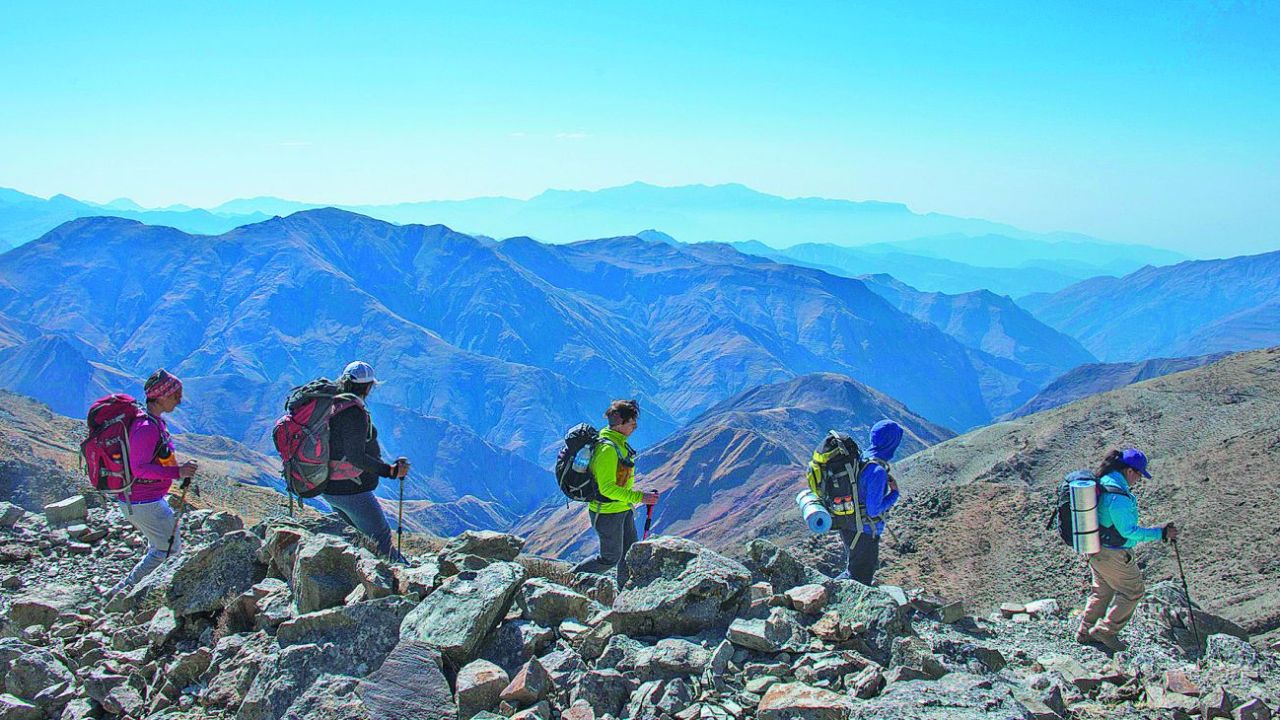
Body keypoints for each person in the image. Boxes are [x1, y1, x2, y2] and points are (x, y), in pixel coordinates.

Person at [106, 369, 199, 598]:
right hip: (142, 501)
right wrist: (178, 472)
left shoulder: (152, 422)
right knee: (166, 549)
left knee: (163, 546)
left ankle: (141, 591)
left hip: (144, 500)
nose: (179, 400)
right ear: (162, 396)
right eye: (175, 395)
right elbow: (139, 468)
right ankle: (124, 595)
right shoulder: (147, 428)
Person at [1078, 448, 1177, 652]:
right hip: (1113, 554)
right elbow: (1129, 532)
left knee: (1102, 591)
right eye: (1139, 474)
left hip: (1095, 548)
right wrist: (1161, 533)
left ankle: (1085, 632)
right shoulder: (1118, 497)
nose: (1139, 479)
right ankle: (1106, 631)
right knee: (1133, 591)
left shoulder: (1104, 482)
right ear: (1130, 471)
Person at [322, 360, 411, 563]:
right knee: (380, 539)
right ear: (369, 386)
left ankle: (362, 581)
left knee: (359, 539)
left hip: (328, 486)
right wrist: (390, 471)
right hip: (350, 489)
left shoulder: (332, 404)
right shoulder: (352, 412)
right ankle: (404, 585)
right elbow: (356, 456)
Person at [571, 399, 659, 590]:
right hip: (607, 513)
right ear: (620, 423)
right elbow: (607, 489)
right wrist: (640, 498)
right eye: (632, 422)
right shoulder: (607, 449)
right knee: (610, 558)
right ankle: (570, 580)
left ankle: (624, 594)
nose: (635, 426)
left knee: (628, 556)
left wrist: (634, 500)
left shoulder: (618, 443)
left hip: (621, 508)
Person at [835, 419, 903, 585]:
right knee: (860, 578)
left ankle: (827, 594)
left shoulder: (862, 456)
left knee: (853, 570)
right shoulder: (877, 471)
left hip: (849, 523)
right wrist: (894, 494)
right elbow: (874, 510)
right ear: (891, 442)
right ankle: (829, 601)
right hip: (864, 531)